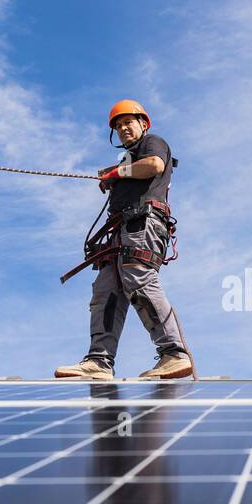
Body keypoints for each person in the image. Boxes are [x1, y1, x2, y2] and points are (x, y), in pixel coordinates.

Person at [54, 100, 194, 380]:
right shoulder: (129, 159)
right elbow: (133, 169)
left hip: (143, 225)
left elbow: (154, 165)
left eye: (128, 122)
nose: (123, 128)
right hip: (120, 232)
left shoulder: (153, 143)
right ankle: (99, 361)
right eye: (118, 126)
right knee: (106, 291)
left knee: (139, 278)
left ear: (143, 123)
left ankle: (173, 353)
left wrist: (118, 173)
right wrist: (117, 174)